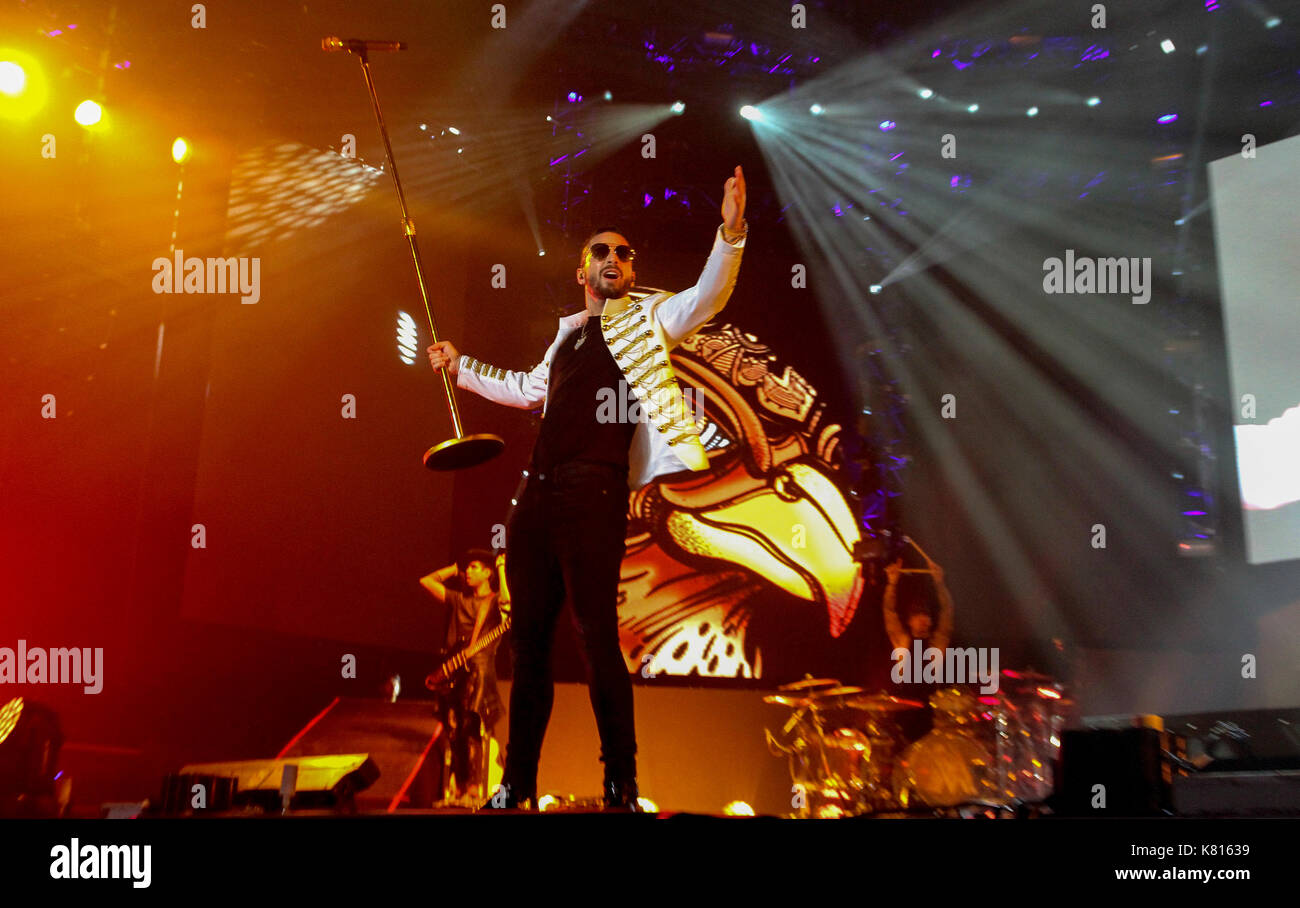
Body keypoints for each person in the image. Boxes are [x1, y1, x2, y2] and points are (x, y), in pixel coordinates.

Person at [427, 166, 748, 811]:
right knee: (530, 644)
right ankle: (516, 785)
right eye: (600, 251)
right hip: (537, 496)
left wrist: (731, 232)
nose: (613, 259)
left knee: (598, 634)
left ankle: (619, 785)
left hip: (595, 492)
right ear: (582, 270)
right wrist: (461, 368)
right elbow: (525, 391)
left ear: (631, 270)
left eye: (623, 253)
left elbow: (707, 296)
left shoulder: (652, 319)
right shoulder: (567, 335)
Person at [419, 548, 510, 803]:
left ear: (487, 572)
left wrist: (502, 571)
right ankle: (458, 790)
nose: (469, 571)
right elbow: (426, 582)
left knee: (472, 728)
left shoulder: (494, 601)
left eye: (474, 567)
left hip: (479, 670)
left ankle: (472, 790)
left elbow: (509, 605)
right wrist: (453, 570)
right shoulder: (459, 599)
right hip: (454, 670)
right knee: (454, 731)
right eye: (467, 567)